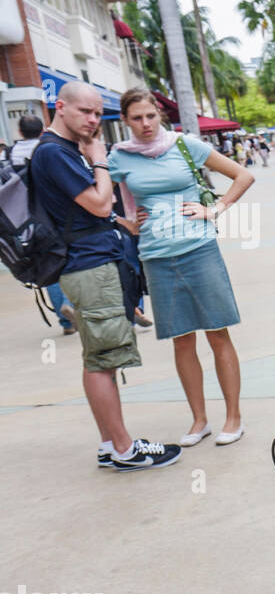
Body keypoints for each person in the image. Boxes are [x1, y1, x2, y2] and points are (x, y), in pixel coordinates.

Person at [28, 81, 182, 472]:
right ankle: (125, 449)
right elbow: (97, 203)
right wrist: (98, 159)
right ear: (60, 107)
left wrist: (121, 223)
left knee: (99, 357)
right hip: (88, 267)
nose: (94, 120)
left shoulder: (60, 151)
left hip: (91, 261)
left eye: (98, 113)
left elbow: (80, 209)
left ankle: (109, 443)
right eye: (86, 112)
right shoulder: (55, 153)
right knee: (103, 359)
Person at [108, 88, 254, 448]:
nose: (145, 124)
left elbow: (242, 176)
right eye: (137, 118)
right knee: (182, 340)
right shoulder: (119, 156)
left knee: (217, 334)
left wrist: (214, 210)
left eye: (150, 116)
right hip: (156, 255)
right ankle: (199, 420)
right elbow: (98, 197)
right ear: (125, 121)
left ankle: (233, 417)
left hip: (199, 249)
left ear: (160, 115)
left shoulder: (184, 145)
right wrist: (125, 221)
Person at [10, 114, 75, 336]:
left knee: (47, 266)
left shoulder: (10, 155)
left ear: (20, 132)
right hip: (53, 216)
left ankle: (66, 322)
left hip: (26, 222)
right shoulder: (47, 149)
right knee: (66, 258)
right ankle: (70, 302)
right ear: (41, 130)